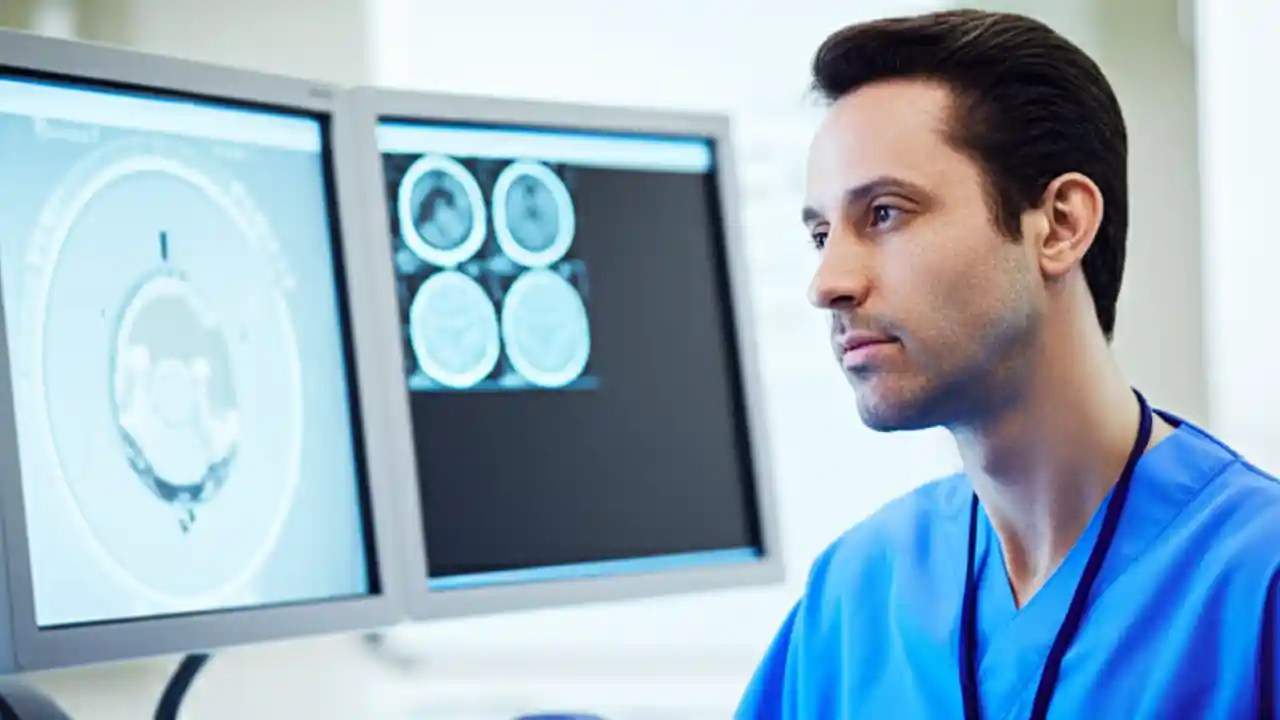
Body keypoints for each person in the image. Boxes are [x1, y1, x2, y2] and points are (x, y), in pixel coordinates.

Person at [737, 9, 1280, 719]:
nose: (828, 282)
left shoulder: (1255, 584)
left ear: (1058, 225)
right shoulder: (857, 592)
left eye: (885, 214)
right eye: (820, 233)